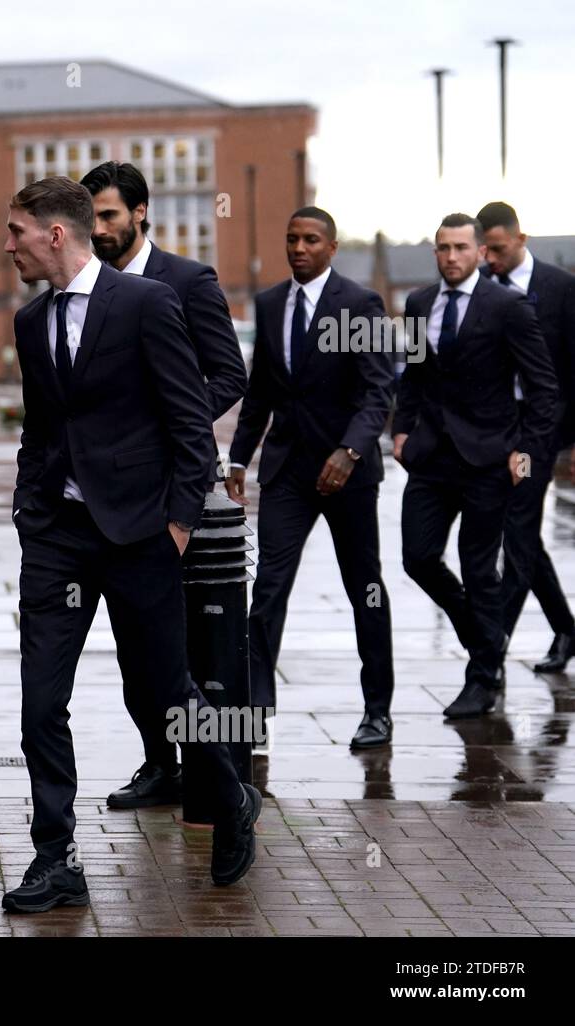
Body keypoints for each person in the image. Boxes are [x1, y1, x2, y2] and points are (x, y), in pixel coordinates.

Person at [2, 176, 261, 913]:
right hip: (59, 536)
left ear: (56, 234)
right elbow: (40, 428)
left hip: (142, 531)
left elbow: (189, 422)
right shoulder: (30, 323)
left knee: (165, 689)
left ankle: (229, 792)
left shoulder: (147, 303)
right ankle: (56, 859)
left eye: (17, 231)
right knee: (40, 701)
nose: (9, 244)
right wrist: (30, 506)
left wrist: (178, 522)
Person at [80, 159, 248, 803]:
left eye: (110, 216)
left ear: (140, 213)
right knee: (132, 636)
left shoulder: (187, 279)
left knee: (187, 632)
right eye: (89, 217)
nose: (98, 229)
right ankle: (159, 763)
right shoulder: (81, 285)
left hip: (177, 483)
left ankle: (214, 772)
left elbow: (229, 375)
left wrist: (168, 424)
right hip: (110, 492)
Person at [227, 207, 396, 747]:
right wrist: (237, 458)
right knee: (269, 588)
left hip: (347, 474)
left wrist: (350, 450)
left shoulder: (361, 304)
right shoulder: (271, 303)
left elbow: (378, 391)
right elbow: (262, 393)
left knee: (363, 587)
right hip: (288, 472)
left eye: (310, 240)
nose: (298, 248)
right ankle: (254, 712)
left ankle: (377, 711)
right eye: (291, 238)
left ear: (332, 246)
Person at [395, 213, 557, 719]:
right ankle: (485, 638)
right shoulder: (419, 303)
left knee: (479, 568)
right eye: (442, 248)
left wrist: (525, 450)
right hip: (432, 457)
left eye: (461, 248)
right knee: (417, 558)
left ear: (479, 252)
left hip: (490, 458)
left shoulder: (507, 307)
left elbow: (544, 390)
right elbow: (414, 376)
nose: (451, 257)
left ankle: (482, 678)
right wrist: (401, 429)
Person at [477, 201, 575, 672]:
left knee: (517, 531)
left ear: (521, 239)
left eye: (497, 249)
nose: (491, 260)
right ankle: (566, 628)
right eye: (485, 251)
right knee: (520, 535)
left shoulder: (560, 289)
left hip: (543, 425)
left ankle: (494, 648)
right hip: (497, 425)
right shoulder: (483, 290)